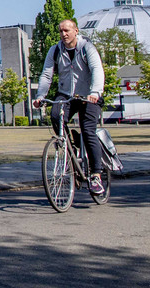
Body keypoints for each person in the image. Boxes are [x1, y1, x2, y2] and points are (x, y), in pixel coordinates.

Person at [32, 19, 106, 194]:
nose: (63, 34)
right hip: (66, 94)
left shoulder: (87, 47)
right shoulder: (55, 50)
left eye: (67, 30)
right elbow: (46, 75)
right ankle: (69, 154)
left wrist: (95, 92)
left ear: (76, 31)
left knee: (88, 130)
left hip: (88, 95)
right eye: (61, 31)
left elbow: (97, 69)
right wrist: (40, 96)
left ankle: (96, 174)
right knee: (56, 116)